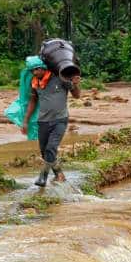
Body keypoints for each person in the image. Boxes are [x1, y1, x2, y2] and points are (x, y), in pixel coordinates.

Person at [20, 57, 81, 187]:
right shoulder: (35, 82)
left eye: (36, 69)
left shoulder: (60, 78)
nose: (34, 73)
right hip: (43, 121)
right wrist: (25, 121)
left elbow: (76, 95)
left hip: (60, 120)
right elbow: (32, 101)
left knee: (51, 148)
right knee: (44, 151)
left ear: (43, 68)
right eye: (32, 71)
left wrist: (75, 83)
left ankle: (43, 176)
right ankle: (59, 174)